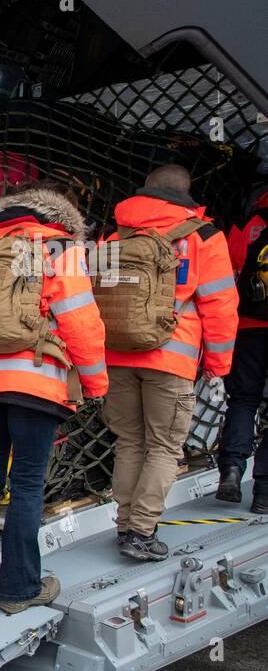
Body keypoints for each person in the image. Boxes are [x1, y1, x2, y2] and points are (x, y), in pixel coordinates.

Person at [0, 182, 108, 613]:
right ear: (59, 217)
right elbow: (80, 321)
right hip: (33, 379)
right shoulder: (59, 248)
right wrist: (95, 384)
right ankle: (19, 590)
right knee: (25, 484)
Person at [104, 165, 238, 557]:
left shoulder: (115, 234)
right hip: (171, 357)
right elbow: (220, 306)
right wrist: (218, 364)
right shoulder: (204, 237)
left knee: (129, 442)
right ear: (188, 194)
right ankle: (142, 533)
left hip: (118, 354)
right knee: (164, 447)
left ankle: (125, 524)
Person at [217, 184, 268, 510]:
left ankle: (232, 469)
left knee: (243, 399)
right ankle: (264, 492)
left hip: (248, 326)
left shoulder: (250, 222)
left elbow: (229, 271)